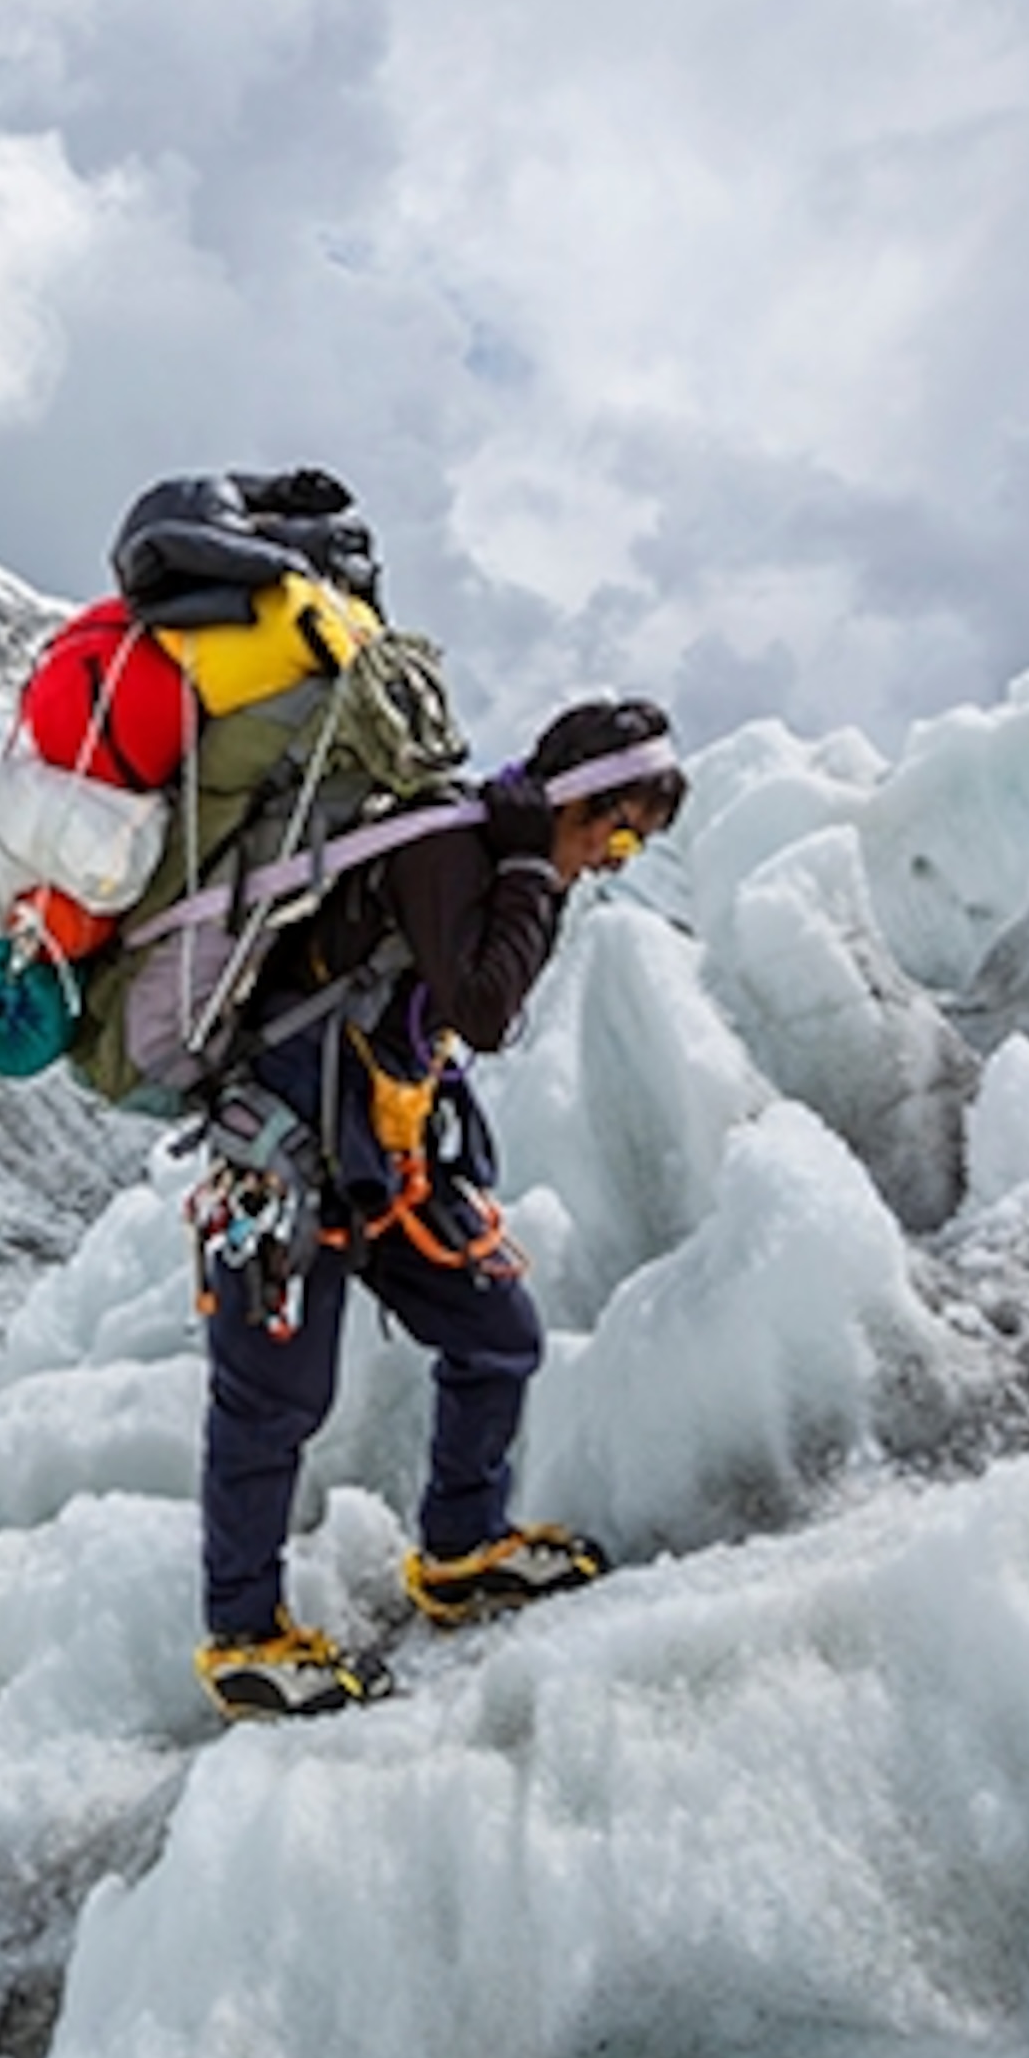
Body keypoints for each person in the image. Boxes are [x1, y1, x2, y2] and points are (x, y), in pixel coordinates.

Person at [192, 697, 688, 1719]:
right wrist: (524, 878)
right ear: (579, 800)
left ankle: (460, 1550)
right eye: (622, 830)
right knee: (271, 1400)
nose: (618, 858)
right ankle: (245, 1641)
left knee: (497, 1332)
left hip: (379, 1154)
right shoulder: (456, 851)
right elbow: (485, 1011)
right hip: (283, 1154)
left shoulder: (488, 848)